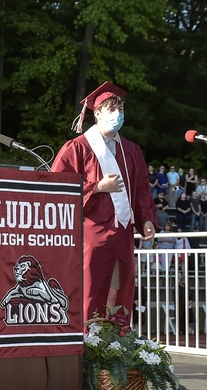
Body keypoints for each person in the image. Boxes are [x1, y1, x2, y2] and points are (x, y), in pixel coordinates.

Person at [50, 82, 156, 319]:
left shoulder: (131, 150)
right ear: (97, 114)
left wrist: (146, 219)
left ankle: (115, 344)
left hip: (122, 234)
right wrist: (96, 187)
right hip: (92, 233)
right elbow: (58, 188)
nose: (118, 115)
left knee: (117, 293)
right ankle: (88, 342)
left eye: (121, 110)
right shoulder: (78, 147)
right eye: (112, 110)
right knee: (91, 290)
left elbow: (140, 190)